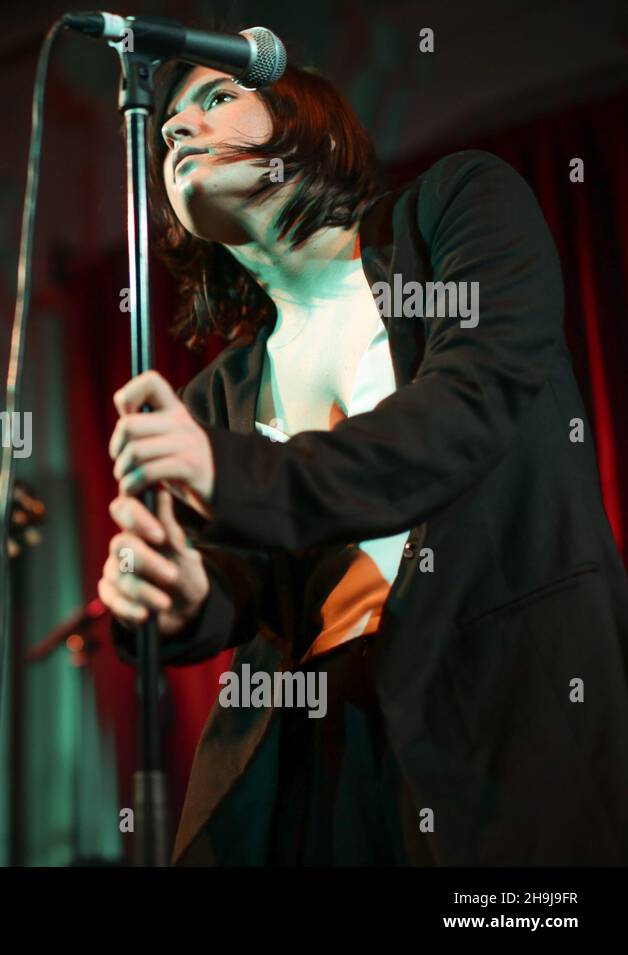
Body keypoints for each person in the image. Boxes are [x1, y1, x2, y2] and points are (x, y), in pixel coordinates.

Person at [98, 53, 628, 865]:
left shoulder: (457, 210)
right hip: (317, 768)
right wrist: (180, 593)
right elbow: (242, 586)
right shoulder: (216, 397)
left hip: (503, 728)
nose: (178, 130)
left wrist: (227, 474)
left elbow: (468, 405)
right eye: (169, 131)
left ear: (305, 122)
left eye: (216, 97)